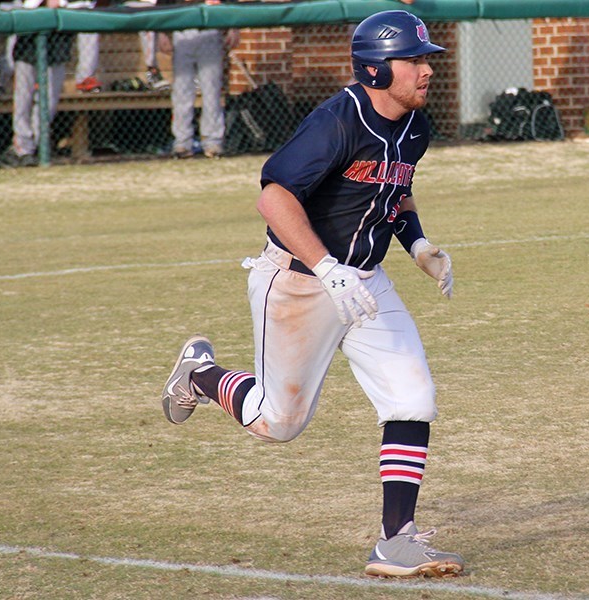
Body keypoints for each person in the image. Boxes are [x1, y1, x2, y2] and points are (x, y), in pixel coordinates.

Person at [160, 10, 462, 578]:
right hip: (299, 281)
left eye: (427, 60)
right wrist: (327, 268)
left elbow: (395, 188)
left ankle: (395, 541)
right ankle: (201, 375)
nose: (426, 71)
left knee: (413, 399)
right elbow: (274, 197)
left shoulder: (415, 124)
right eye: (414, 60)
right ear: (375, 70)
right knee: (279, 423)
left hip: (365, 280)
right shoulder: (337, 119)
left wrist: (419, 245)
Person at [0, 0, 72, 167]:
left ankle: (39, 144)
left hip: (58, 36)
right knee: (23, 98)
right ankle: (23, 148)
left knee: (49, 100)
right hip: (28, 35)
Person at [164, 0, 238, 158]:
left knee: (212, 91)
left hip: (209, 29)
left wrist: (234, 27)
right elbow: (161, 6)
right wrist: (161, 34)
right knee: (182, 92)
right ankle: (182, 143)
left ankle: (213, 142)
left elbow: (230, 4)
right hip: (182, 30)